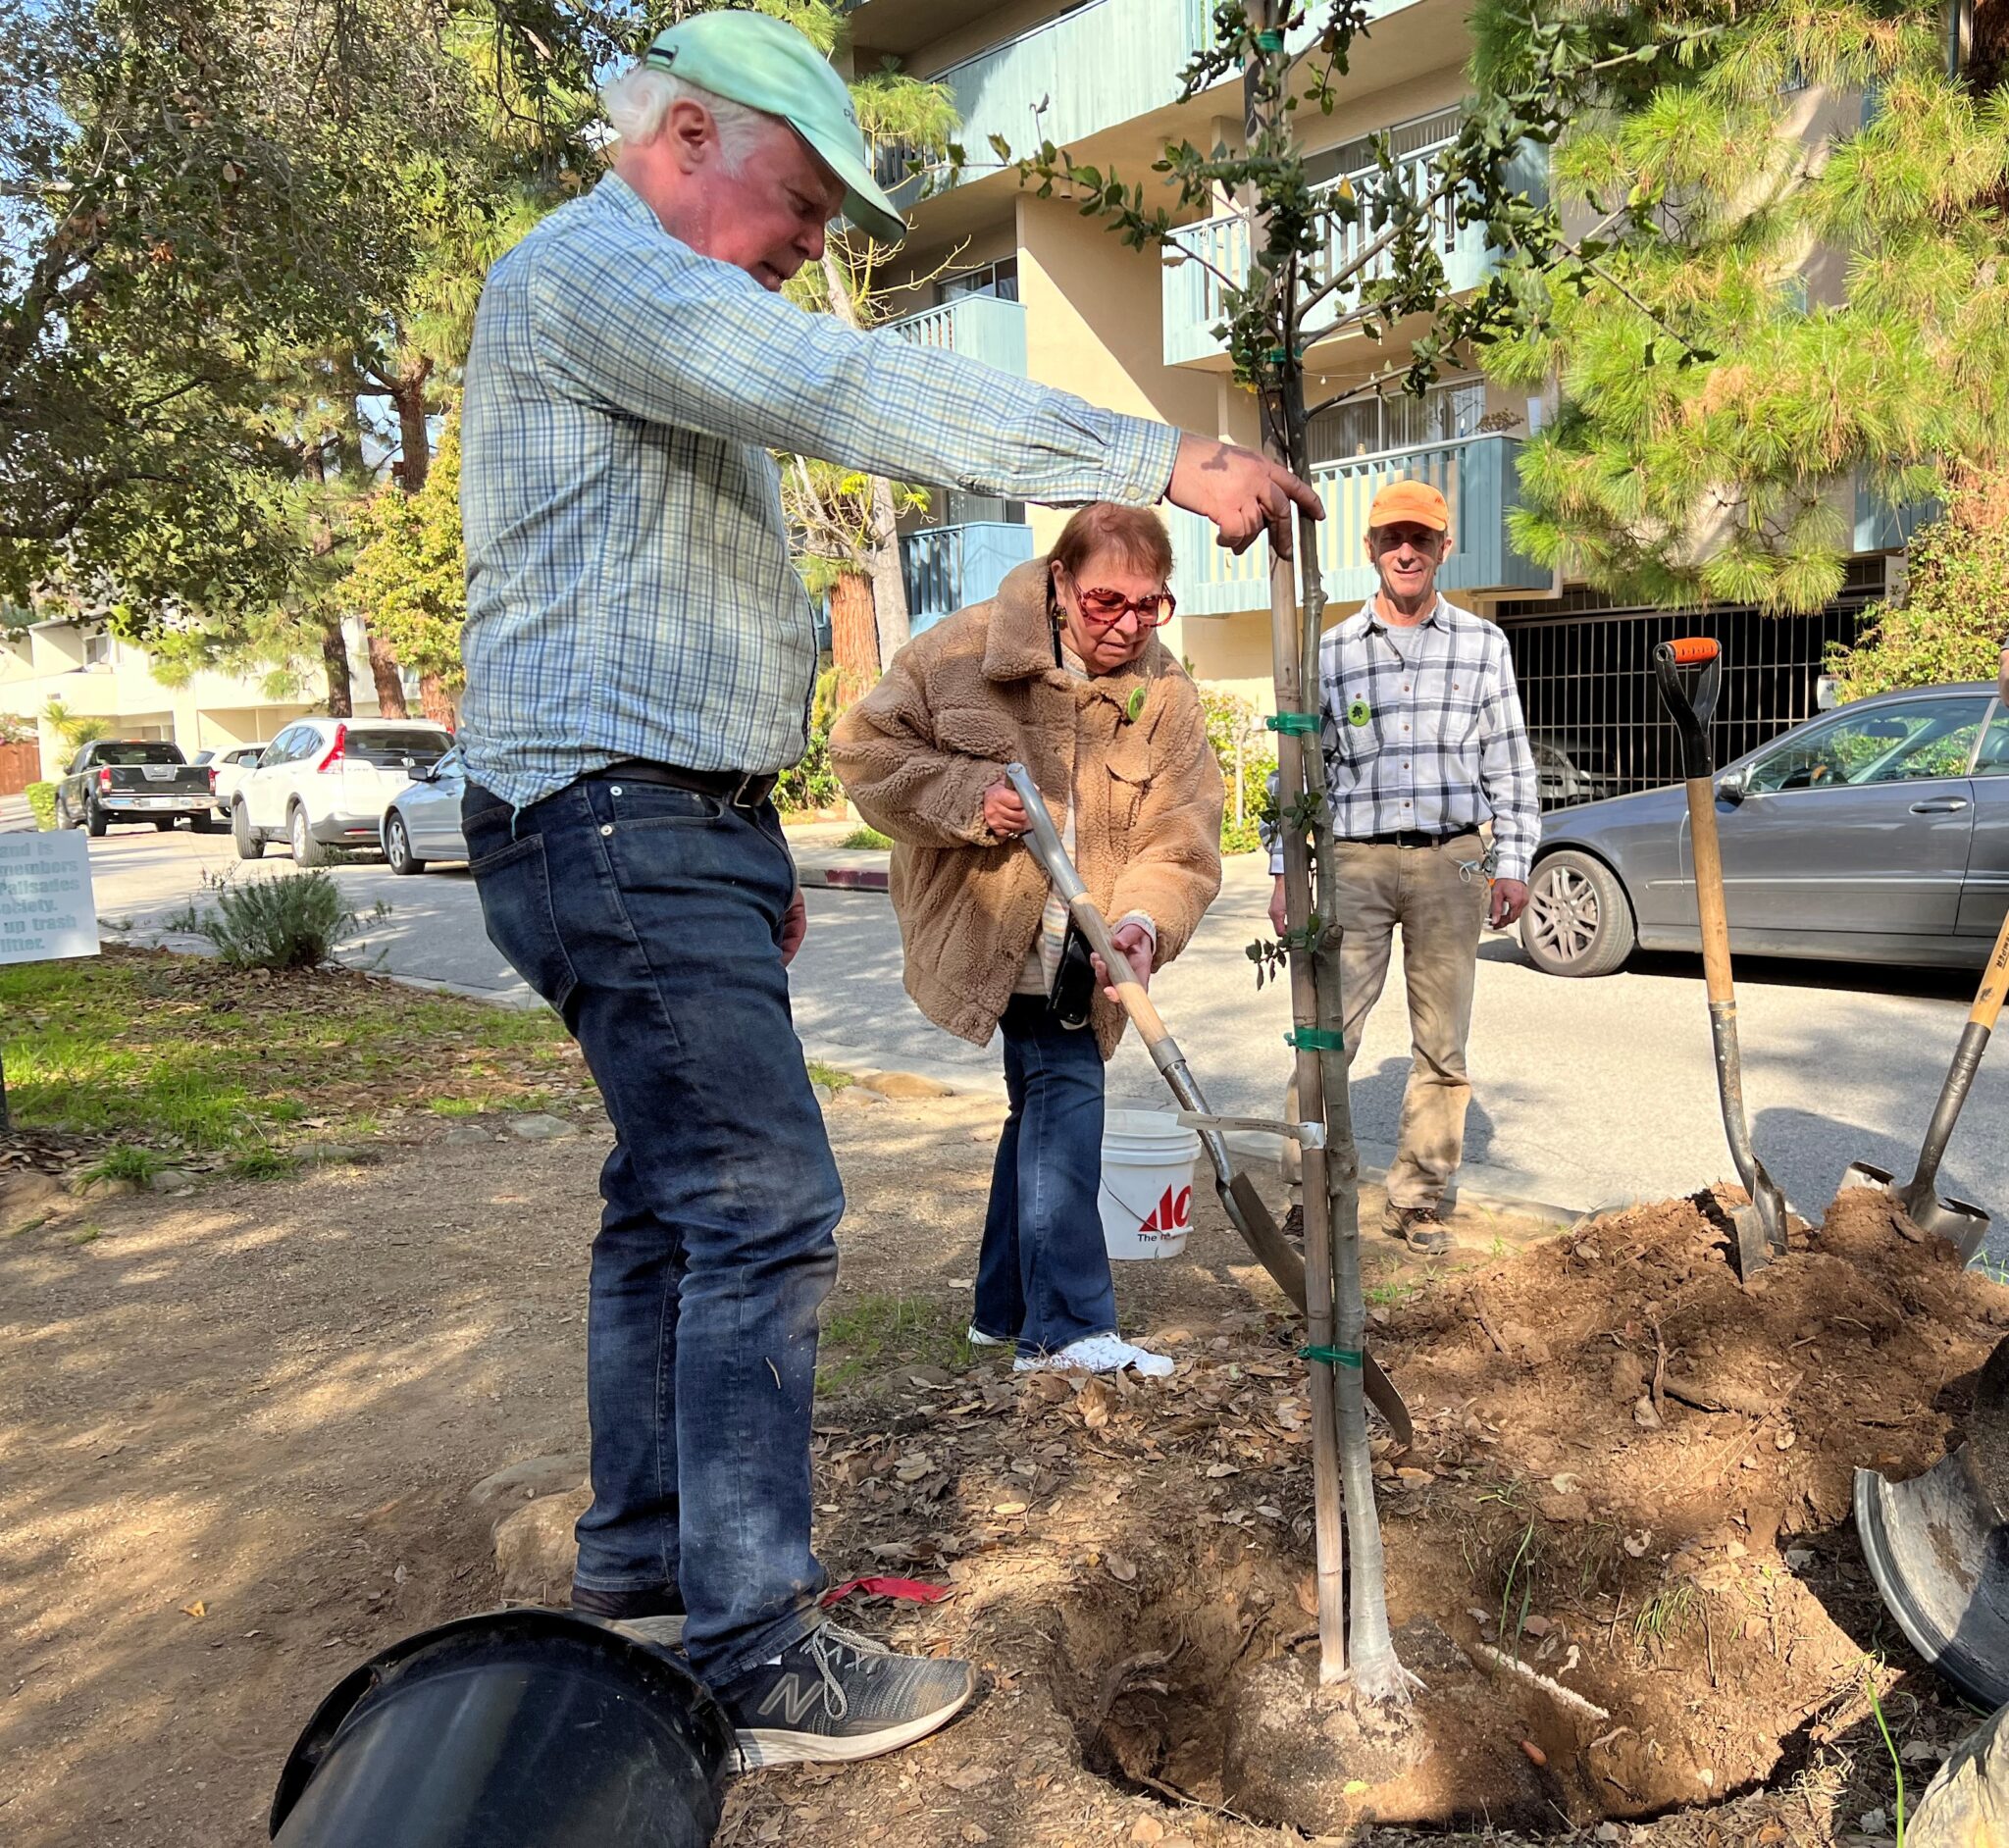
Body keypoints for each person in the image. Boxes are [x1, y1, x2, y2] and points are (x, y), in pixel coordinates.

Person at [454, 9, 1320, 1771]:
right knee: (761, 1202)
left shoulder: (648, 311)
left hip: (650, 818)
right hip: (610, 813)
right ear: (688, 138)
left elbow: (676, 605)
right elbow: (851, 392)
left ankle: (646, 1570)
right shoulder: (599, 277)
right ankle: (752, 1649)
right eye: (802, 198)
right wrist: (1160, 455)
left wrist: (737, 840)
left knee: (670, 1201)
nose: (813, 241)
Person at [831, 506, 1223, 1381]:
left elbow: (1182, 833)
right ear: (1059, 581)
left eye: (1149, 605)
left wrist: (1144, 924)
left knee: (1041, 1103)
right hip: (989, 929)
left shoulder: (1165, 694)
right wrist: (969, 795)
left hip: (1087, 940)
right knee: (1066, 1095)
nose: (1128, 625)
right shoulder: (960, 653)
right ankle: (1066, 1331)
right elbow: (862, 753)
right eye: (1106, 601)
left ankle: (1002, 1311)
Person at [1269, 479, 1539, 1256]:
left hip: (1454, 861)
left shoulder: (1483, 645)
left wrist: (1513, 861)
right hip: (1352, 861)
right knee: (1326, 1034)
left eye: (1421, 538)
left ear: (1445, 547)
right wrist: (1285, 874)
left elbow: (1510, 764)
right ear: (1371, 549)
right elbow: (1299, 770)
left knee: (1442, 1045)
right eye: (1393, 538)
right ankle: (1310, 1193)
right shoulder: (1331, 651)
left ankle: (1419, 1197)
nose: (1407, 551)